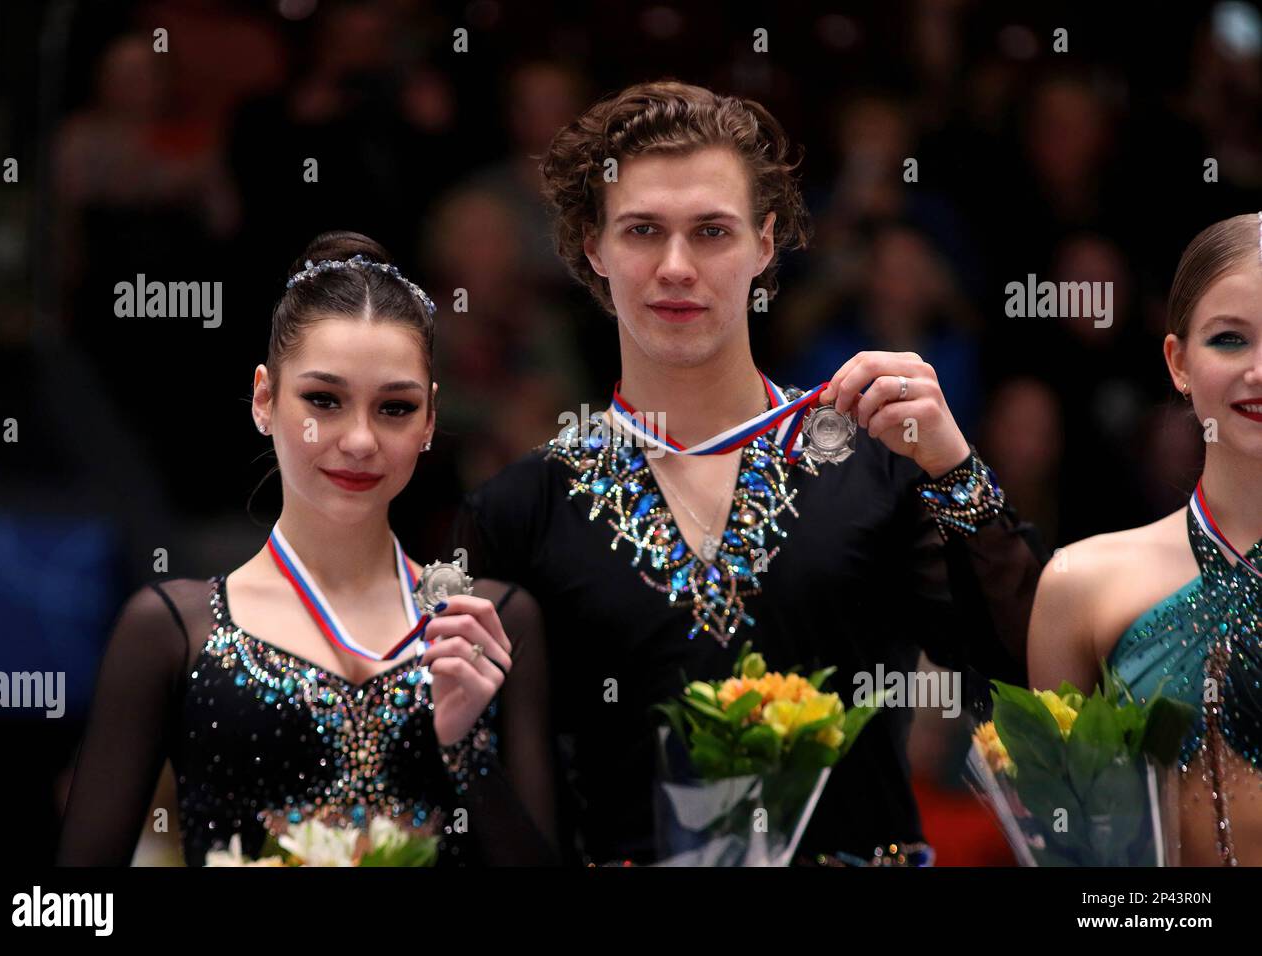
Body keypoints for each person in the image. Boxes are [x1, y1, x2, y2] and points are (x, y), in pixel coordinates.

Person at [450, 80, 1046, 866]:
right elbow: (481, 779)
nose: (675, 266)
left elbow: (1026, 665)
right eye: (641, 231)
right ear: (592, 246)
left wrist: (955, 467)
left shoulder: (878, 464)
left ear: (766, 244)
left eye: (711, 232)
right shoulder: (520, 508)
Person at [56, 231, 557, 866]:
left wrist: (466, 751)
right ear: (265, 398)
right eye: (324, 400)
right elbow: (64, 908)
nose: (358, 440)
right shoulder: (170, 631)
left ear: (430, 419)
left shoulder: (489, 622)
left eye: (394, 408)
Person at [1029, 213, 1262, 866]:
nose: (1259, 371)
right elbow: (1067, 853)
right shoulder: (1082, 583)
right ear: (1179, 362)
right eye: (1229, 340)